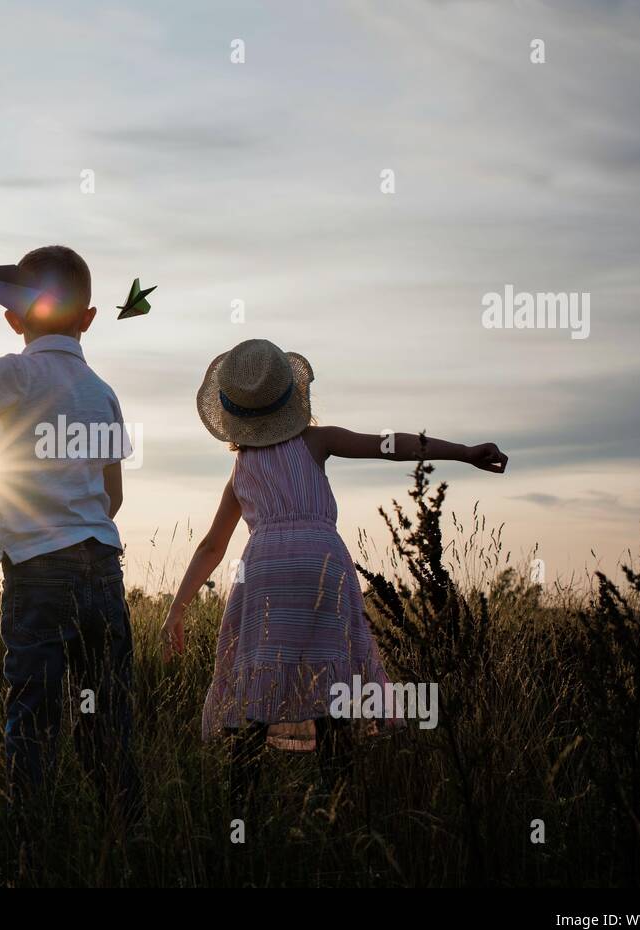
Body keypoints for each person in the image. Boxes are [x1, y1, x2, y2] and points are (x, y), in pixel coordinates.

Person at [162, 338, 507, 818]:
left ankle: (241, 817)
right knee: (333, 686)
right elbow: (391, 446)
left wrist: (177, 608)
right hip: (322, 565)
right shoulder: (316, 441)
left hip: (263, 574)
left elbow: (212, 546)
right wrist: (464, 452)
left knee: (258, 689)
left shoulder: (241, 469)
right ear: (292, 397)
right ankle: (337, 812)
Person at [0, 245, 139, 830]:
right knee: (108, 719)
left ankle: (30, 848)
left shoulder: (15, 374)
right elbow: (112, 498)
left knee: (33, 720)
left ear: (13, 319)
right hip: (104, 568)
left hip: (38, 572)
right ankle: (125, 838)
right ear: (88, 319)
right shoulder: (104, 393)